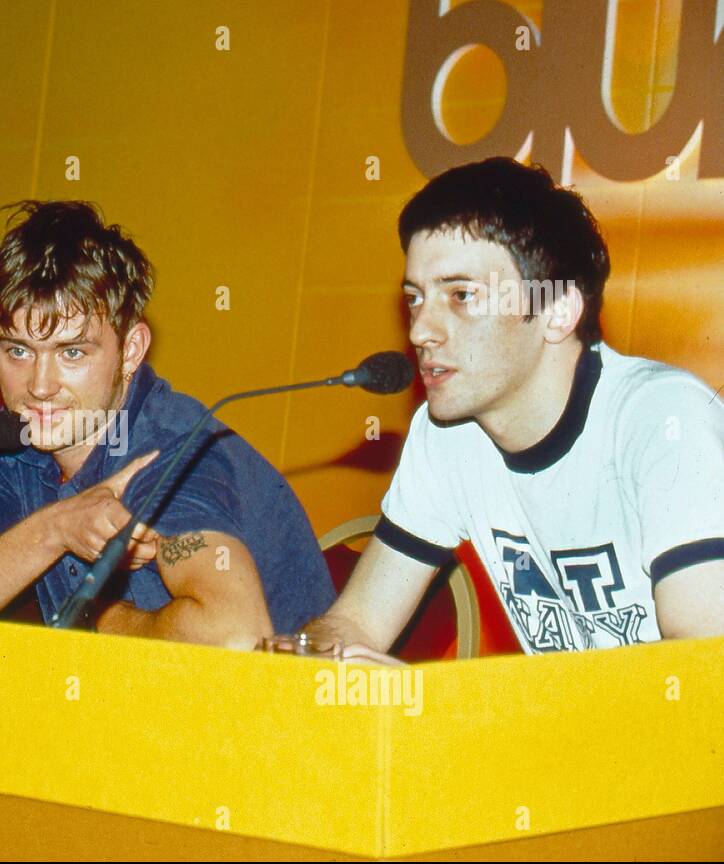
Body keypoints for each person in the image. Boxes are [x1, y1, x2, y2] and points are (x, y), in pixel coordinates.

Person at [307, 158, 724, 661]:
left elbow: (699, 670)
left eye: (461, 295)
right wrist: (308, 659)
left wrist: (481, 713)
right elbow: (356, 622)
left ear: (557, 311)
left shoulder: (663, 419)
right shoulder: (447, 435)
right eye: (416, 299)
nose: (420, 331)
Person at [0, 201, 335, 649]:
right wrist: (54, 529)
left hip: (277, 712)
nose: (38, 386)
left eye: (72, 353)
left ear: (131, 350)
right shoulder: (14, 442)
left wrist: (108, 619)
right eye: (17, 350)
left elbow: (234, 636)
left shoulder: (170, 447)